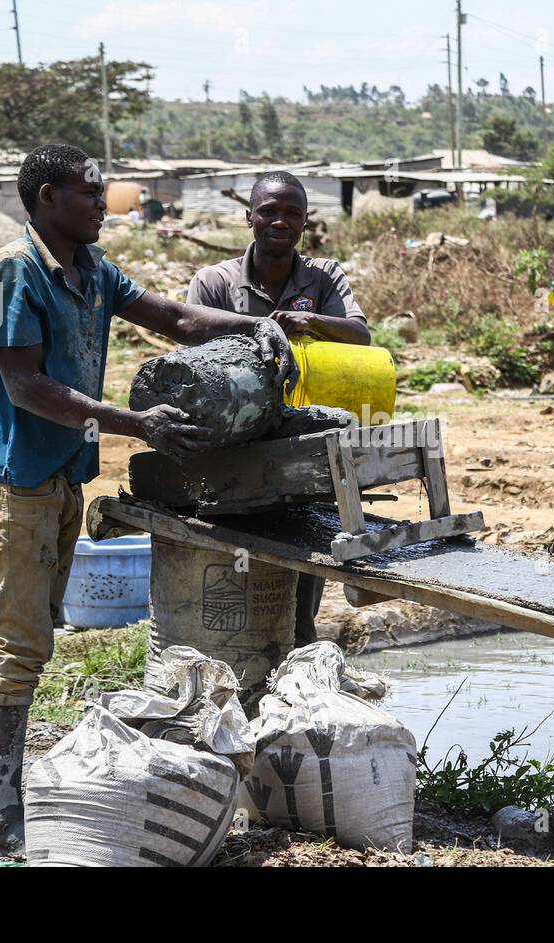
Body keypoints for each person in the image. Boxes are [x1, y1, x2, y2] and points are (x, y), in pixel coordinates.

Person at [0, 143, 293, 856]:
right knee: (18, 646)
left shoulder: (91, 272)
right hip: (10, 480)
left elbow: (176, 319)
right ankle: (5, 810)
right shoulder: (9, 274)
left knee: (37, 634)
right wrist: (133, 422)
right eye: (89, 192)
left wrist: (258, 327)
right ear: (47, 197)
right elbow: (25, 385)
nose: (102, 203)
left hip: (56, 478)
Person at [186, 170, 370, 650]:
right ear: (249, 217)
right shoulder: (215, 283)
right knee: (233, 579)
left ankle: (296, 681)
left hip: (305, 451)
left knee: (303, 581)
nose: (280, 221)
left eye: (292, 212)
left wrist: (309, 320)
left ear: (306, 222)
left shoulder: (324, 278)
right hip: (234, 452)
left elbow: (361, 335)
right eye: (269, 211)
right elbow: (190, 358)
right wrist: (255, 331)